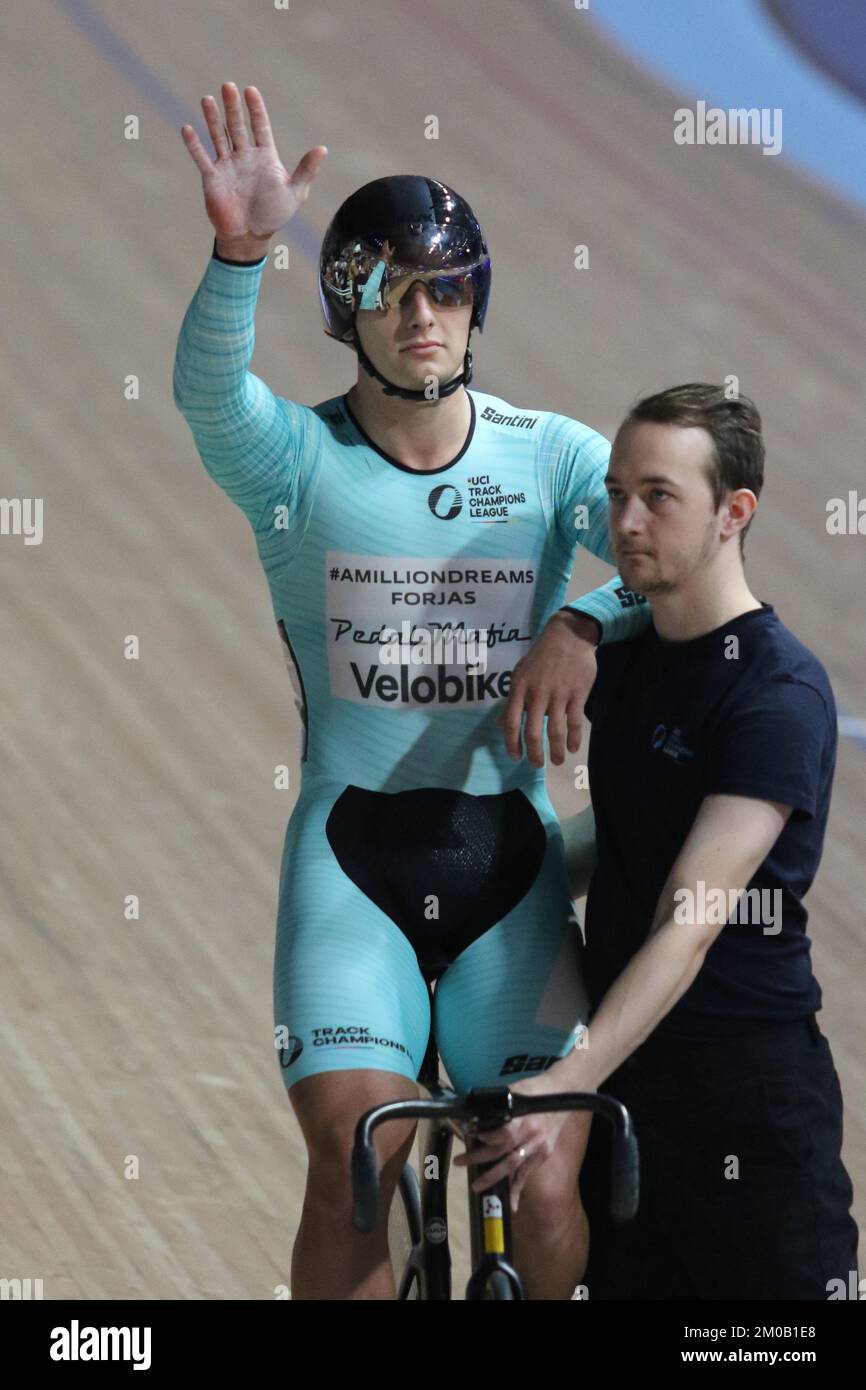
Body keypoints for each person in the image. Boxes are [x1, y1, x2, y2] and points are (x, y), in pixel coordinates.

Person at [174, 83, 651, 1299]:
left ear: (474, 303)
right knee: (353, 1156)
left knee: (542, 1170)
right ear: (347, 312)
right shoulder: (296, 461)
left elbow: (672, 564)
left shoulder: (547, 456)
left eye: (446, 289)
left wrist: (582, 619)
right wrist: (239, 254)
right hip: (351, 862)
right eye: (390, 291)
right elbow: (208, 399)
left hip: (513, 865)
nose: (423, 315)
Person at [457, 383, 859, 1300]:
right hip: (622, 1079)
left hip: (745, 1092)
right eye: (616, 494)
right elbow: (626, 835)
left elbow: (690, 921)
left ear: (735, 513)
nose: (625, 522)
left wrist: (566, 1085)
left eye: (659, 497)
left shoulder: (776, 696)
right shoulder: (630, 660)